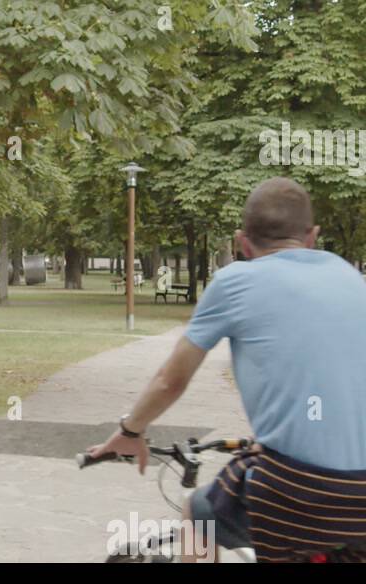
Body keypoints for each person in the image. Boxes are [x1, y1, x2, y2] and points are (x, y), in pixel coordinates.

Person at [88, 177, 366, 562]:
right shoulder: (350, 278)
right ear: (313, 236)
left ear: (242, 242)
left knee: (198, 512)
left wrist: (130, 431)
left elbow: (171, 380)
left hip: (294, 491)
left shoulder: (235, 280)